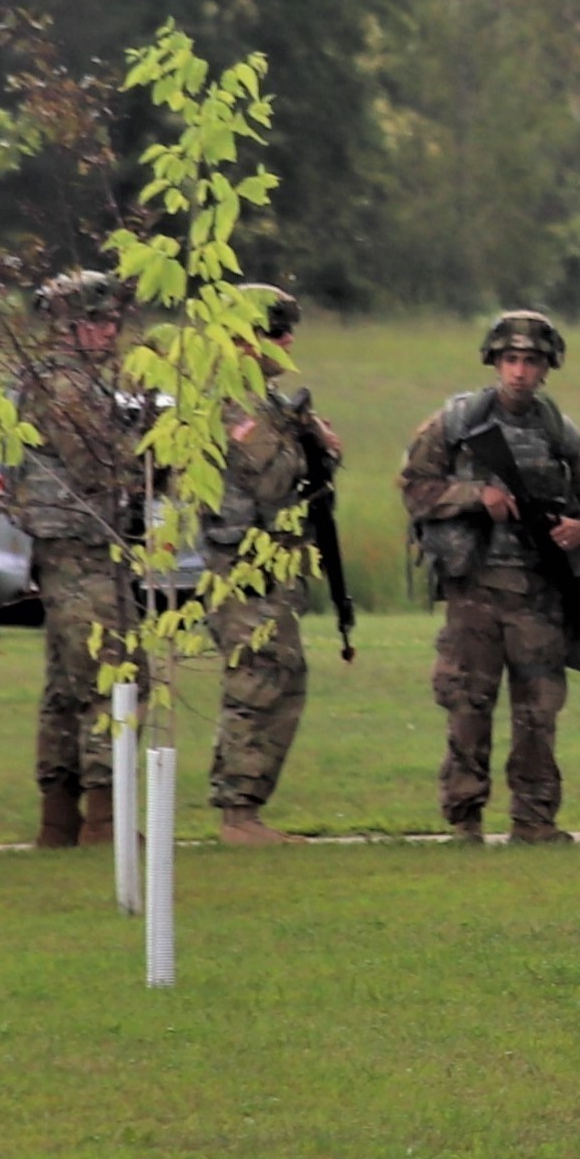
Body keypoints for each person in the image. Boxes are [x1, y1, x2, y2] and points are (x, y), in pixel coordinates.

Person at [406, 308, 580, 844]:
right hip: (474, 591)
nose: (520, 371)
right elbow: (415, 489)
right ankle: (465, 820)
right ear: (495, 361)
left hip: (538, 595)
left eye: (531, 361)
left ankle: (535, 819)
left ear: (547, 368)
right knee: (468, 706)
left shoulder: (558, 430)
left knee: (538, 713)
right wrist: (477, 496)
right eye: (511, 359)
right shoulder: (455, 422)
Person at [195, 296, 351, 847]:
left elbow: (311, 476)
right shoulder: (233, 406)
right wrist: (309, 441)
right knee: (256, 680)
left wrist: (315, 443)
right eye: (273, 332)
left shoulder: (269, 405)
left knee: (283, 676)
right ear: (241, 340)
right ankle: (237, 816)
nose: (286, 341)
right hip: (242, 567)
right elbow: (273, 479)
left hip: (275, 564)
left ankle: (247, 810)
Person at [13, 269, 154, 847]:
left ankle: (61, 817)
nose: (109, 330)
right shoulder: (67, 387)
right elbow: (101, 465)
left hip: (77, 549)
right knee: (114, 676)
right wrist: (156, 443)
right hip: (81, 549)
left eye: (112, 320)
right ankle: (103, 818)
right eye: (96, 320)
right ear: (66, 326)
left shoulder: (61, 382)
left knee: (67, 686)